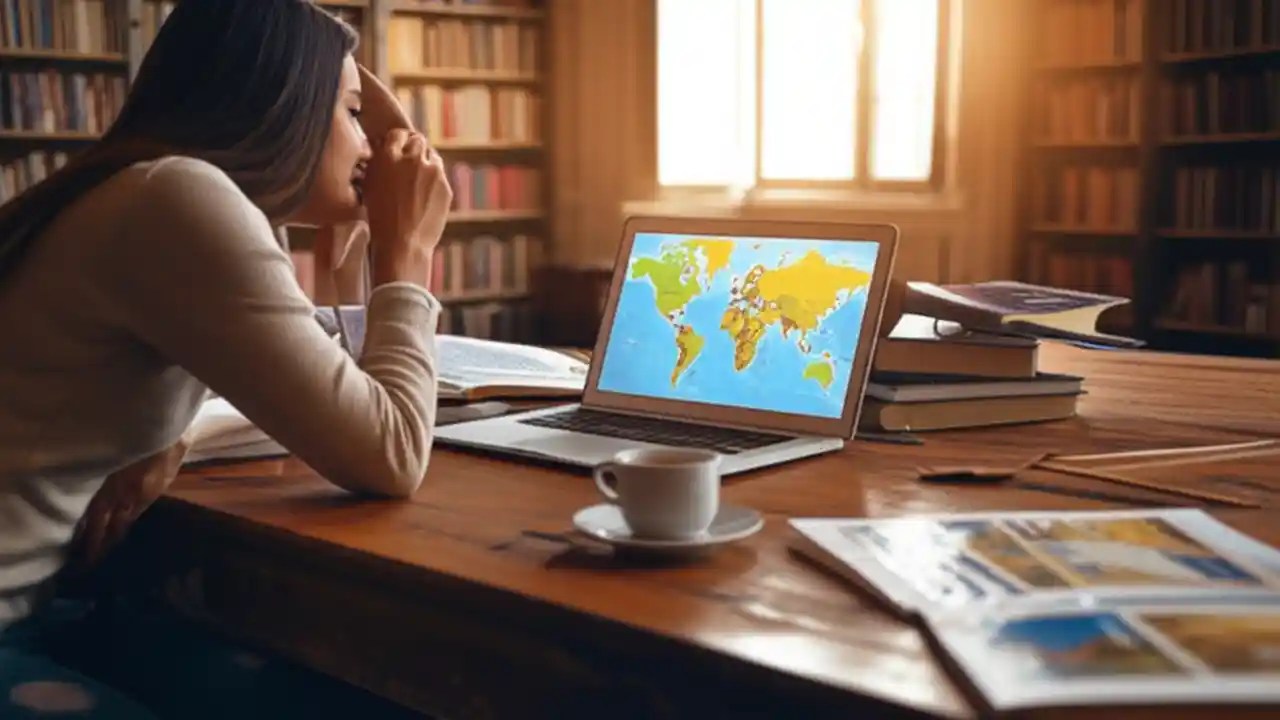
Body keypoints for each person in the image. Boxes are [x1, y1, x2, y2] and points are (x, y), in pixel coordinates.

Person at [0, 0, 449, 716]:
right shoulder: (179, 200)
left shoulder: (143, 189)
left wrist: (178, 435)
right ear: (284, 104)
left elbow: (311, 388)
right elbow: (389, 452)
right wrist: (407, 254)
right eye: (353, 112)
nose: (371, 144)